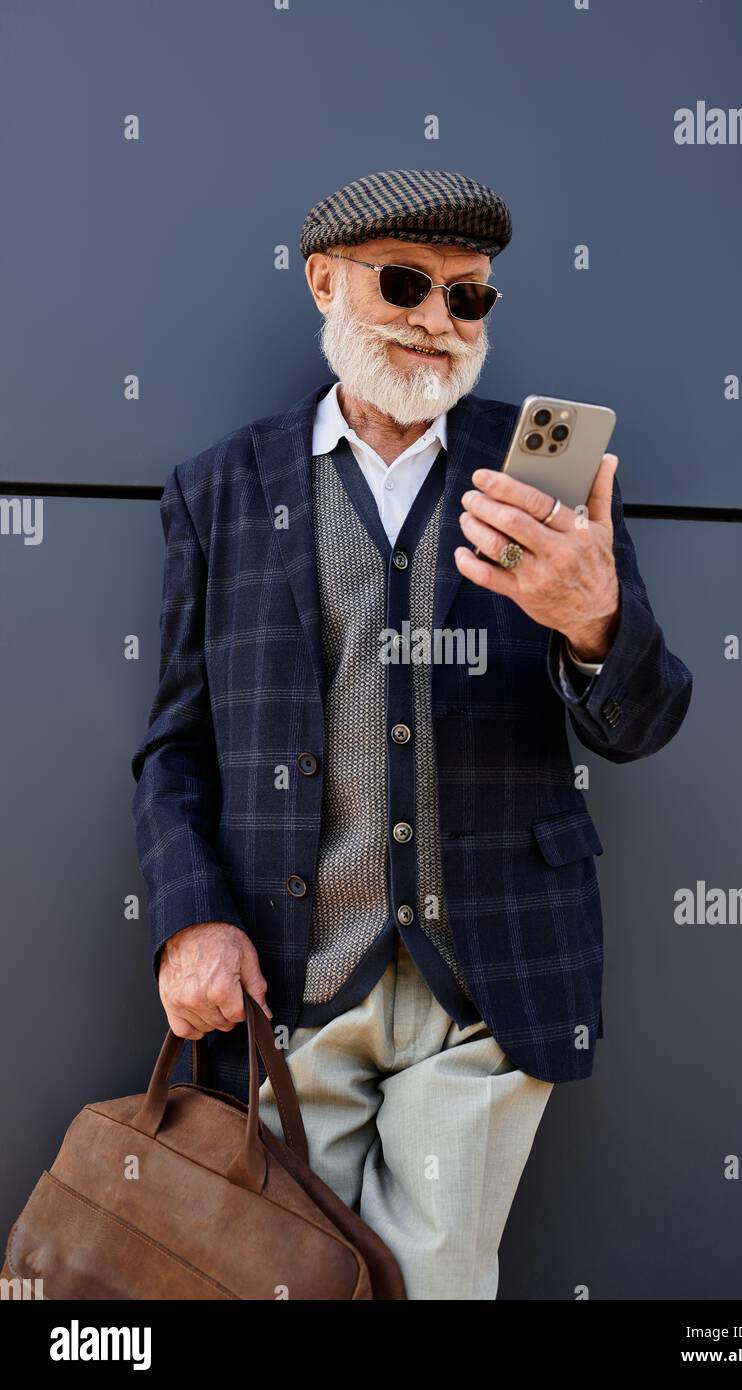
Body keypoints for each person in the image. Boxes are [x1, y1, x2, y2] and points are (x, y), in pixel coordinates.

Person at [131, 168, 693, 1299]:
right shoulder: (221, 490)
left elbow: (647, 717)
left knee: (436, 1284)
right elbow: (176, 747)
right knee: (276, 1281)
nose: (439, 321)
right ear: (324, 282)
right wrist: (190, 919)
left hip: (486, 987)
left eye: (469, 297)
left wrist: (594, 620)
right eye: (404, 285)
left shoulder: (547, 475)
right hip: (293, 982)